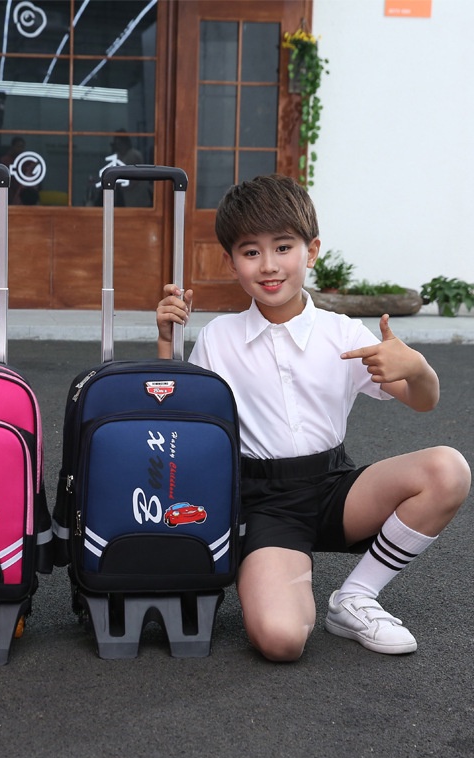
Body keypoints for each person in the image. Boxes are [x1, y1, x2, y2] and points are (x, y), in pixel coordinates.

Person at [156, 174, 470, 662]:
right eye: (250, 251)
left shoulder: (342, 333)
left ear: (312, 250)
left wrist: (417, 367)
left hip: (335, 489)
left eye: (283, 247)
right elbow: (175, 419)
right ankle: (283, 578)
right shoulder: (219, 338)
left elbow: (422, 400)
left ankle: (355, 597)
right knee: (281, 640)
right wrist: (165, 341)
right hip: (265, 504)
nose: (269, 266)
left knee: (448, 469)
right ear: (230, 262)